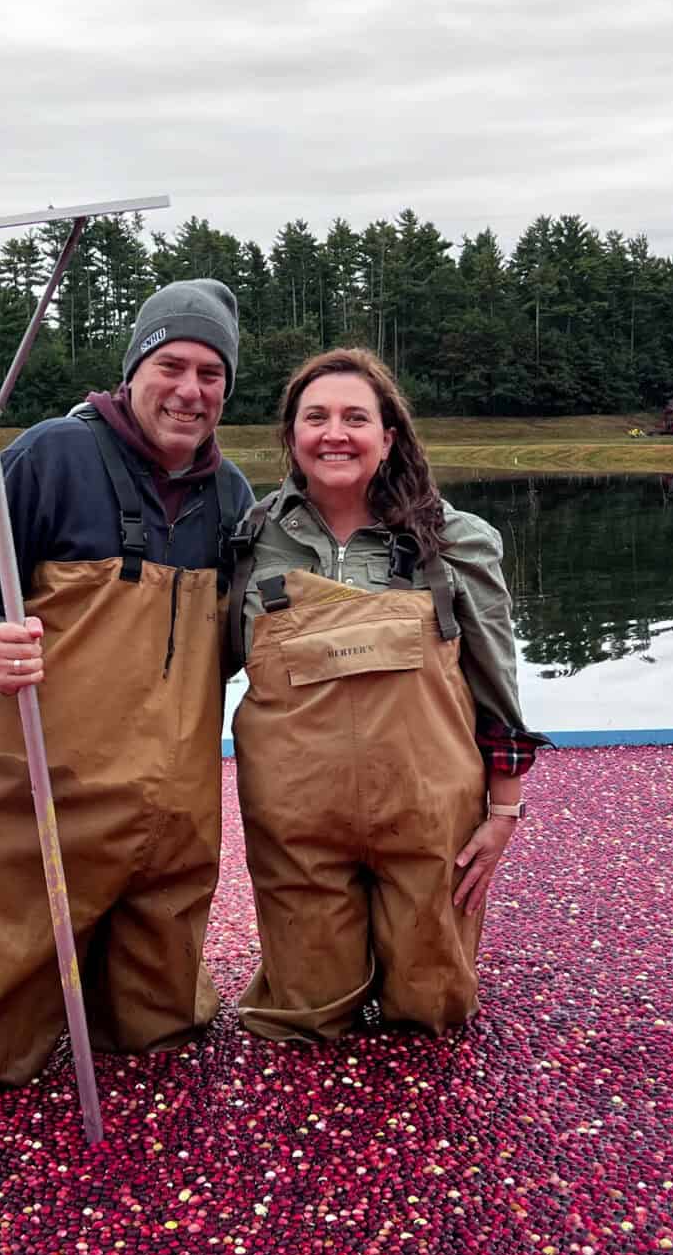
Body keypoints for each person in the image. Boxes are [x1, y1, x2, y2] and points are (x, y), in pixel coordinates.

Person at [0, 279, 255, 1091]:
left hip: (169, 801)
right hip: (37, 786)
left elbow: (236, 640)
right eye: (172, 364)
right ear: (134, 368)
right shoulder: (52, 454)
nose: (190, 390)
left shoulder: (231, 497)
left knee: (159, 1031)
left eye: (211, 374)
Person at [227, 347, 545, 1041]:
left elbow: (498, 684)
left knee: (433, 1011)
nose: (333, 433)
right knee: (303, 1018)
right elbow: (199, 670)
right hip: (295, 822)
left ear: (389, 436)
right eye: (315, 417)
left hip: (429, 818)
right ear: (290, 435)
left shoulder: (457, 541)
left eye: (354, 417)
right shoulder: (248, 540)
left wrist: (505, 812)